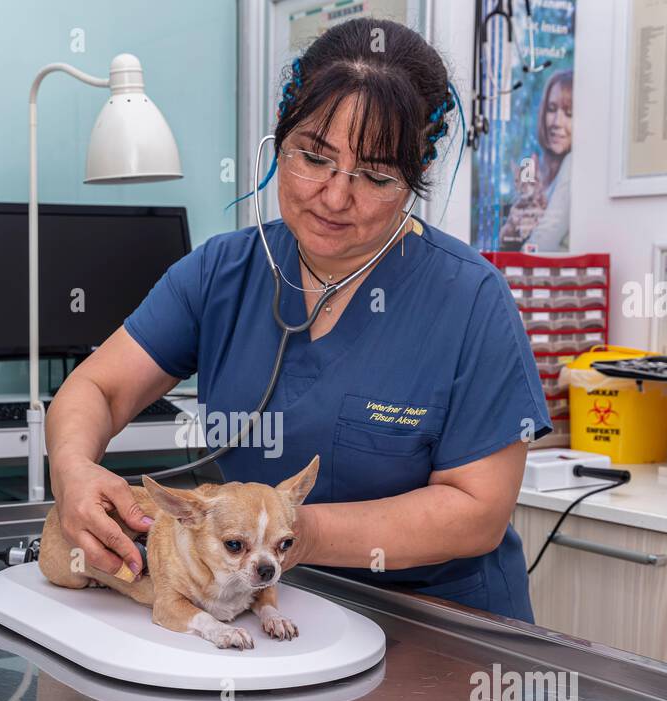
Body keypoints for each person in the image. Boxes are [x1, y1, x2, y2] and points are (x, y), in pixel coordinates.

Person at [45, 17, 552, 622]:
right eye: (313, 156)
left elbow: (477, 514)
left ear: (414, 179)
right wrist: (73, 471)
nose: (335, 197)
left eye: (376, 176)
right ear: (278, 142)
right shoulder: (222, 272)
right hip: (266, 617)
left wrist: (299, 533)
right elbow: (96, 387)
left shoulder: (470, 300)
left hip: (434, 631)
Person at [500, 68, 572, 252]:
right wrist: (511, 230)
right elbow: (507, 239)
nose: (557, 122)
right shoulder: (533, 164)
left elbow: (542, 242)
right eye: (551, 109)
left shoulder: (573, 165)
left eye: (569, 113)